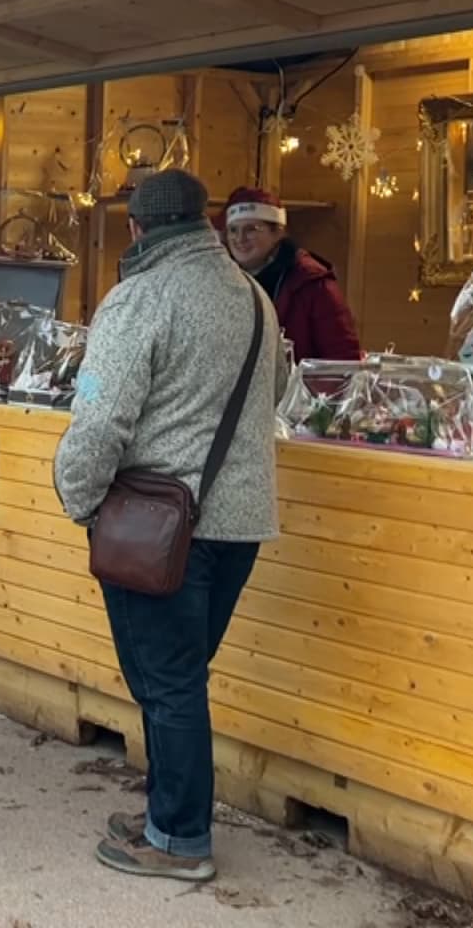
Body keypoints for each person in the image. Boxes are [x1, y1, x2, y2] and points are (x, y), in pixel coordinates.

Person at [52, 170, 280, 883]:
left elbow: (98, 416)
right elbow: (277, 392)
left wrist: (81, 501)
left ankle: (180, 839)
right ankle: (163, 812)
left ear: (136, 229)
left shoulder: (138, 298)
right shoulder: (255, 297)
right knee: (179, 678)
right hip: (240, 523)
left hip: (159, 526)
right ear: (206, 221)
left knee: (169, 683)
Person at [221, 187, 360, 361]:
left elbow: (344, 360)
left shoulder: (312, 284)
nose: (240, 238)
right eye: (233, 230)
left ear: (277, 232)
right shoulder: (224, 280)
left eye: (251, 229)